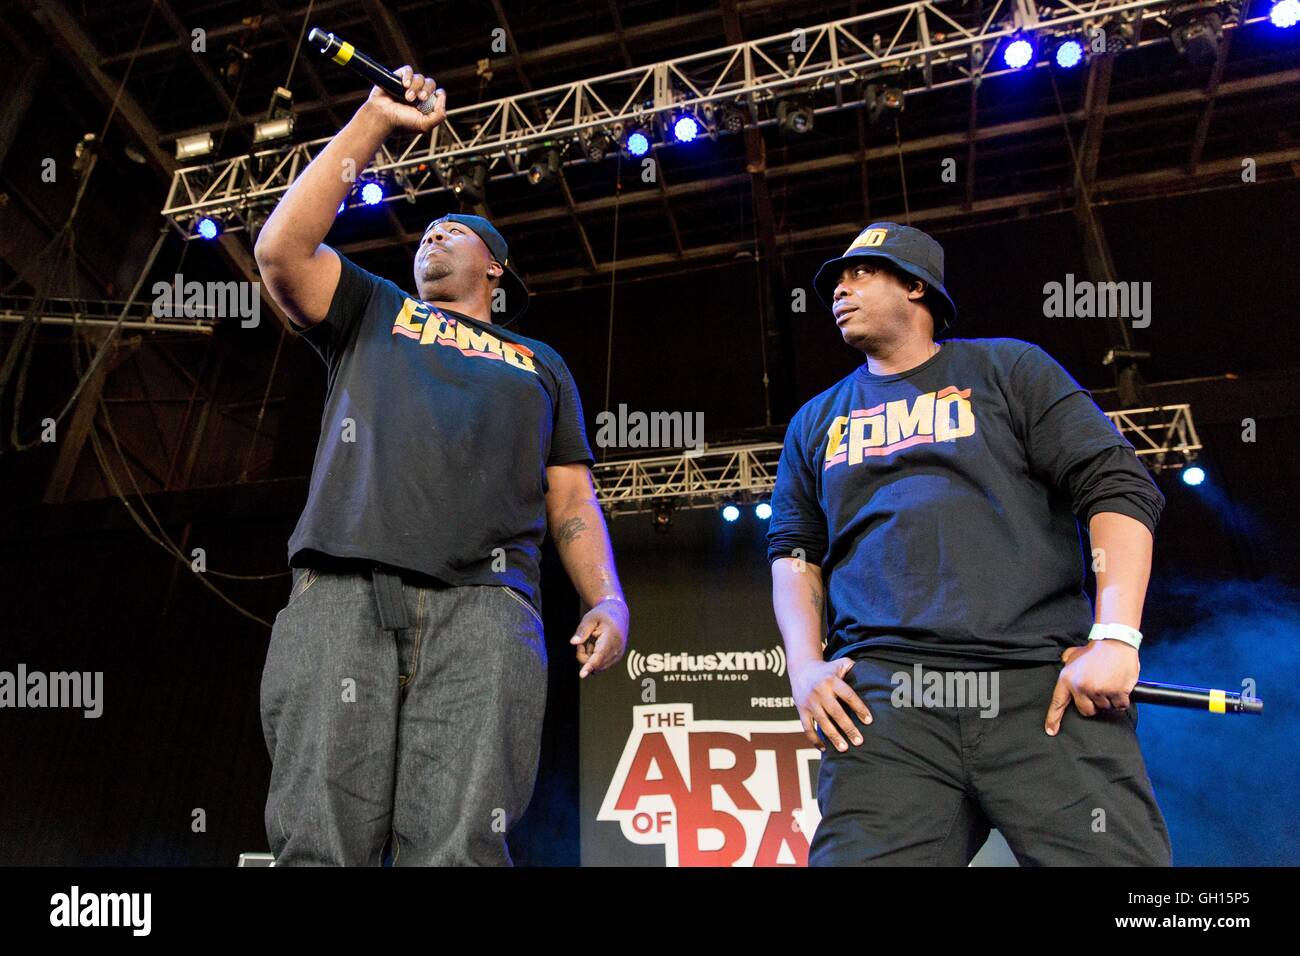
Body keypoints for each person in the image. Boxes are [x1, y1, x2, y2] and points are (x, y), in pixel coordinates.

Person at [254, 64, 629, 866]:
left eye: (453, 232)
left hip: (488, 610)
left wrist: (609, 600)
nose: (431, 236)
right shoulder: (374, 309)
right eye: (426, 232)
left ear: (496, 267)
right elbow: (282, 250)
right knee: (316, 843)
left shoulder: (540, 362)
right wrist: (374, 122)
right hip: (345, 589)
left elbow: (572, 500)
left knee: (460, 849)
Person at [767, 222, 1172, 866]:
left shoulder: (1008, 368)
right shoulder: (815, 420)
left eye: (861, 273)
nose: (839, 289)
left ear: (916, 286)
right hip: (887, 707)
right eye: (835, 281)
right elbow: (793, 552)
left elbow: (1117, 485)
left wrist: (1117, 636)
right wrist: (803, 666)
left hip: (1039, 689)